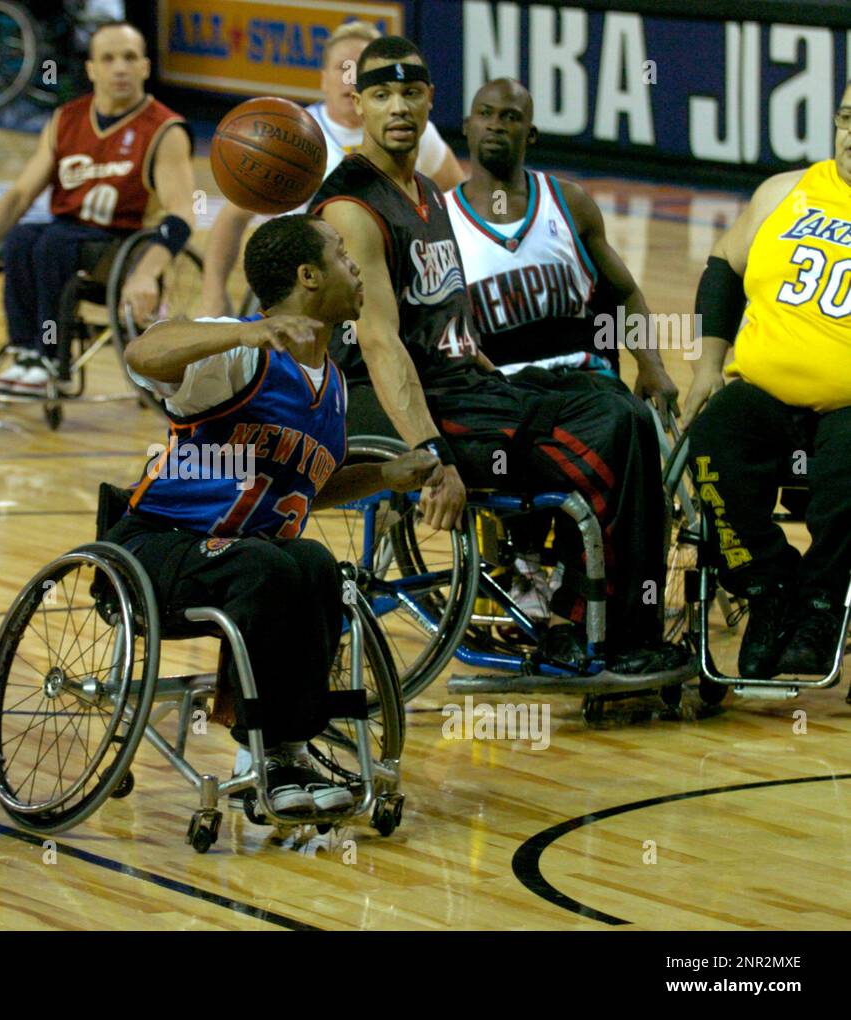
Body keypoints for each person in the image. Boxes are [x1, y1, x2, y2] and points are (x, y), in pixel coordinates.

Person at [311, 36, 680, 672]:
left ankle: (588, 625)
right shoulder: (353, 207)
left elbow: (438, 312)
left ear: (430, 100)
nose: (398, 107)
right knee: (608, 436)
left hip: (457, 386)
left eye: (409, 93)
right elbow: (380, 343)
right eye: (381, 95)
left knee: (624, 415)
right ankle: (597, 634)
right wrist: (432, 458)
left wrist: (475, 359)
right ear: (360, 104)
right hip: (389, 407)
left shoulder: (425, 192)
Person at [110, 213, 439, 815]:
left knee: (314, 563)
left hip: (243, 560)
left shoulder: (333, 384)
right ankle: (264, 751)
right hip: (158, 547)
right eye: (342, 255)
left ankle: (289, 751)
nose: (357, 268)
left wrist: (384, 475)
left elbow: (302, 489)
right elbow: (142, 353)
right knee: (268, 565)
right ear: (308, 276)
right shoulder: (241, 349)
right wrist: (244, 334)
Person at [446, 77, 679, 619]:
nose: (496, 125)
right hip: (503, 391)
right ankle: (540, 575)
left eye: (510, 117)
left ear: (531, 133)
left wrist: (651, 365)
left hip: (583, 380)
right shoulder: (441, 221)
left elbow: (624, 292)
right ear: (467, 126)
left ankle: (601, 606)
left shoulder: (568, 203)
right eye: (486, 113)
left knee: (626, 426)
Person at [682, 83, 851, 678]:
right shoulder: (785, 191)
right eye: (847, 118)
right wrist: (707, 367)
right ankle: (768, 588)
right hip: (764, 390)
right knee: (712, 444)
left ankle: (822, 606)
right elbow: (724, 267)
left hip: (848, 408)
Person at [0, 21, 197, 396]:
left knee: (53, 243)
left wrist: (146, 274)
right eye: (108, 59)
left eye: (129, 58)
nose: (120, 68)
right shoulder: (67, 119)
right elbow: (18, 196)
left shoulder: (165, 129)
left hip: (122, 245)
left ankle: (50, 359)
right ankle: (26, 354)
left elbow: (182, 214)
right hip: (68, 236)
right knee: (21, 237)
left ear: (144, 67)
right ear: (91, 69)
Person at [199, 20, 463, 317]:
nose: (351, 78)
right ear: (323, 79)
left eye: (359, 70)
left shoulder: (412, 132)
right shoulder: (292, 136)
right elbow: (232, 218)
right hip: (305, 290)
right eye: (342, 68)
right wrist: (213, 293)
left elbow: (459, 201)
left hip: (388, 283)